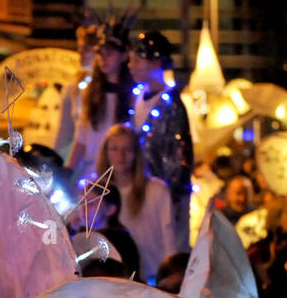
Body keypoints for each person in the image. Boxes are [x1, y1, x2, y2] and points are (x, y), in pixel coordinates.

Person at [126, 30, 193, 250]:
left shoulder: (172, 105)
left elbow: (180, 157)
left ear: (155, 61)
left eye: (137, 59)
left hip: (165, 199)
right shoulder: (137, 98)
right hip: (140, 194)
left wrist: (171, 196)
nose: (130, 65)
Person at [93, 124, 175, 284]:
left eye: (127, 149)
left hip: (152, 277)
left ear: (136, 154)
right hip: (112, 280)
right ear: (106, 153)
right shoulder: (96, 192)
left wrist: (168, 276)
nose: (120, 155)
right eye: (114, 149)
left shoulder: (157, 190)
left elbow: (169, 237)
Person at [64, 17, 133, 185]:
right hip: (93, 177)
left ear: (124, 55)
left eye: (109, 53)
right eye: (100, 53)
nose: (103, 58)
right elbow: (81, 138)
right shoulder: (90, 92)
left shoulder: (134, 95)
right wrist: (67, 171)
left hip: (124, 178)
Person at [56, 23, 102, 163]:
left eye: (87, 49)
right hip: (77, 159)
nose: (81, 54)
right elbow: (64, 130)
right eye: (79, 49)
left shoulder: (109, 88)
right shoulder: (73, 87)